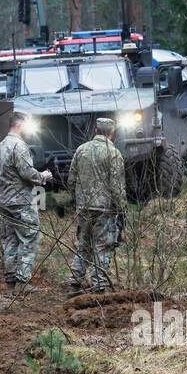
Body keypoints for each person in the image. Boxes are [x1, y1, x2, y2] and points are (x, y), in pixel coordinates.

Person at [66, 117, 127, 293]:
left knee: (83, 244)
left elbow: (71, 180)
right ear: (112, 133)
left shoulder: (81, 150)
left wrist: (77, 200)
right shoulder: (113, 153)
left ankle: (74, 282)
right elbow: (117, 187)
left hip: (84, 207)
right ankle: (98, 286)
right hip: (104, 209)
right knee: (103, 246)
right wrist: (122, 210)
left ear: (95, 130)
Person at [0, 110, 52, 287]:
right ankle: (23, 282)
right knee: (29, 238)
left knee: (9, 240)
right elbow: (27, 173)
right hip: (21, 202)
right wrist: (44, 176)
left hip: (3, 201)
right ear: (19, 124)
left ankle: (10, 283)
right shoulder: (19, 146)